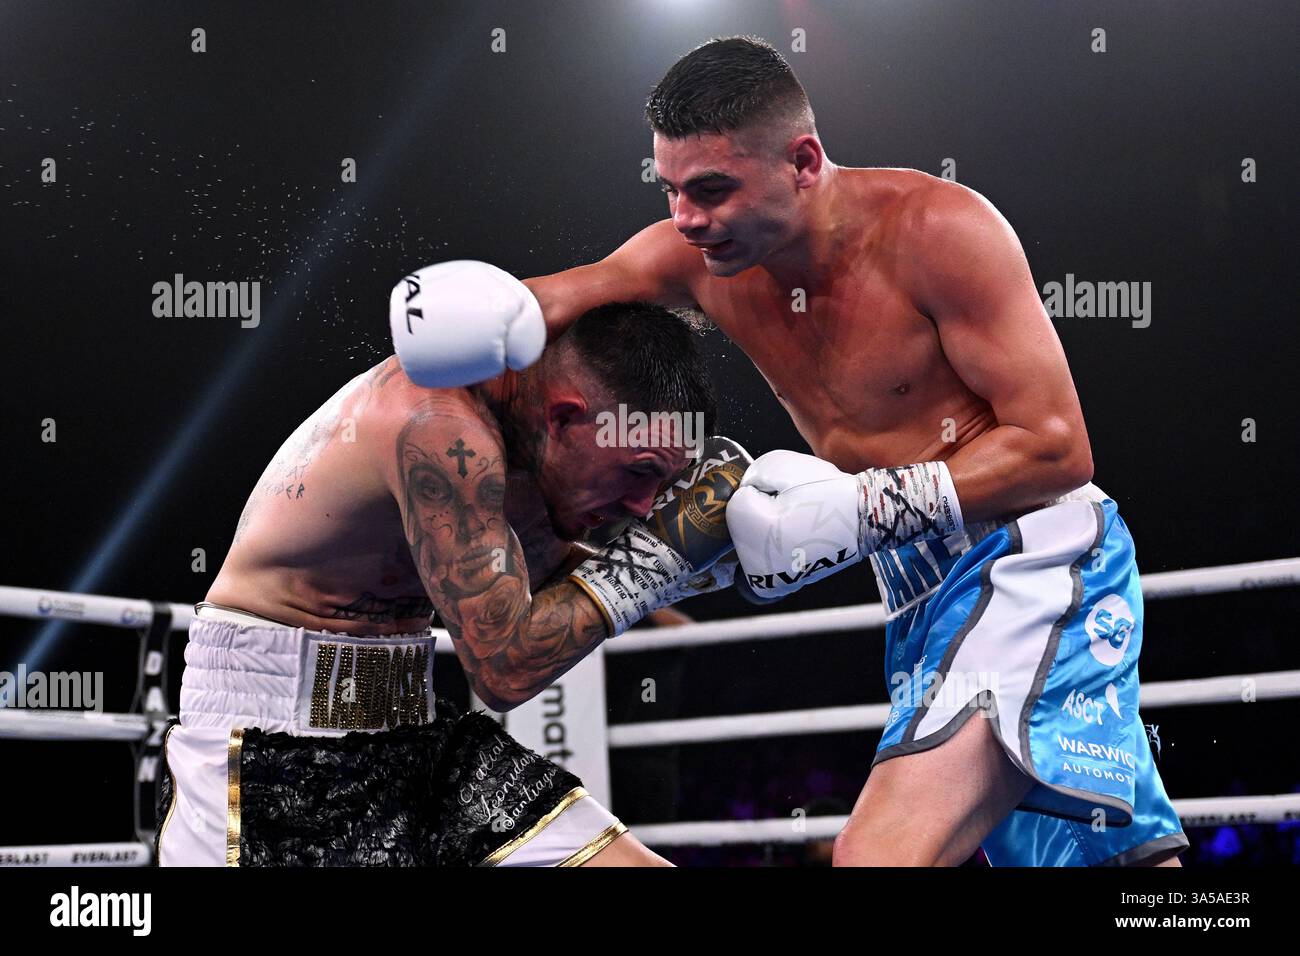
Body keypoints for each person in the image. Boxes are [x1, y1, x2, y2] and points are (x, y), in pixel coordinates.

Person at [390, 36, 1186, 867]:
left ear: (803, 162)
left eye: (711, 190)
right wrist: (430, 328)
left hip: (1028, 558)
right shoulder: (698, 260)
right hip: (917, 584)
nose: (687, 218)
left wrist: (862, 506)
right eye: (670, 191)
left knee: (878, 857)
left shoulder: (940, 231)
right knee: (1120, 868)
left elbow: (1060, 449)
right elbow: (542, 305)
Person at [158, 298, 749, 866]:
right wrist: (667, 557)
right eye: (638, 471)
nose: (645, 507)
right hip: (268, 741)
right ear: (566, 417)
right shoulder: (439, 431)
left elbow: (558, 584)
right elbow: (506, 665)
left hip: (410, 727)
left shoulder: (524, 447)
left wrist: (714, 561)